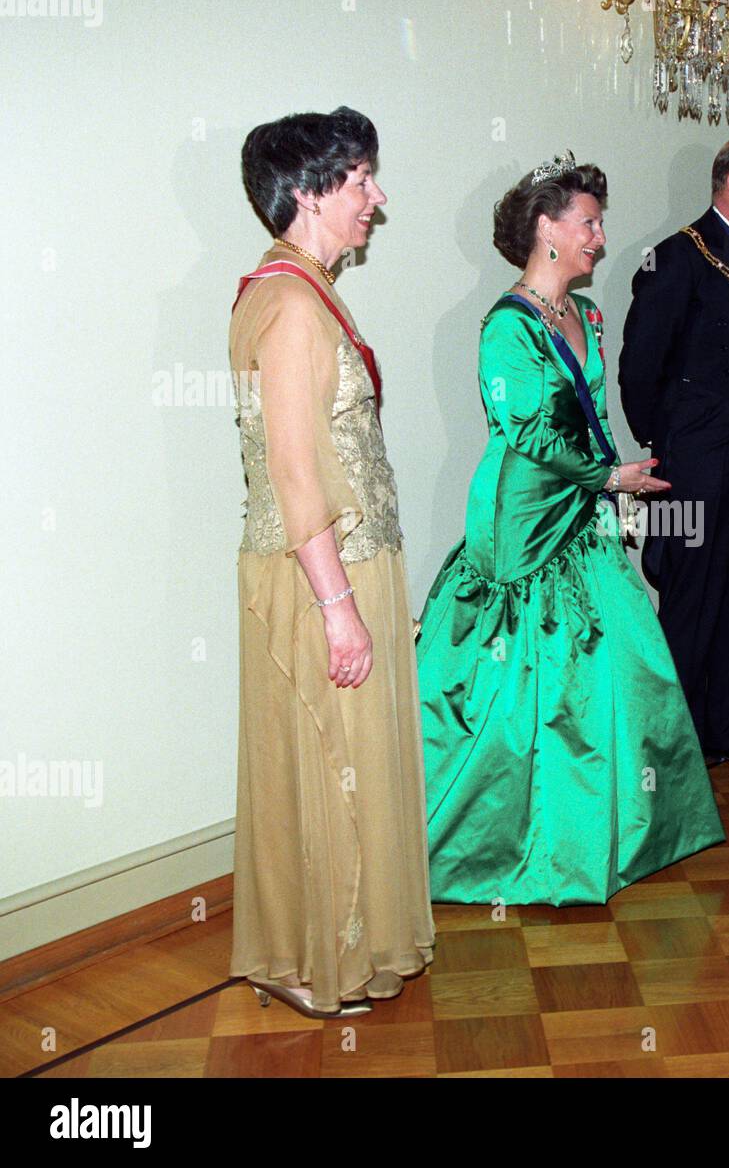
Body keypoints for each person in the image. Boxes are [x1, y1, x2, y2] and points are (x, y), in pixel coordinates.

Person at [414, 153, 725, 907]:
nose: (600, 235)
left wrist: (612, 475)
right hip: (522, 514)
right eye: (588, 221)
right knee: (518, 676)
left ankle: (610, 836)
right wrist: (610, 478)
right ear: (546, 228)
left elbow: (588, 416)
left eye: (598, 222)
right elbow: (523, 427)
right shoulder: (505, 325)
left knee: (621, 661)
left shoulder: (586, 315)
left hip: (581, 509)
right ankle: (490, 846)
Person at [228, 107, 435, 1017]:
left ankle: (319, 950)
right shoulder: (287, 303)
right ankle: (316, 960)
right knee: (325, 763)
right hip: (323, 573)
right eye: (361, 180)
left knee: (344, 763)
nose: (376, 198)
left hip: (349, 565)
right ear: (309, 192)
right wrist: (339, 605)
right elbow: (295, 466)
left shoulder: (305, 291)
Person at [618, 135, 729, 773]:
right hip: (695, 449)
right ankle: (678, 742)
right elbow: (640, 367)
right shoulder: (675, 258)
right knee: (692, 592)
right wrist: (665, 446)